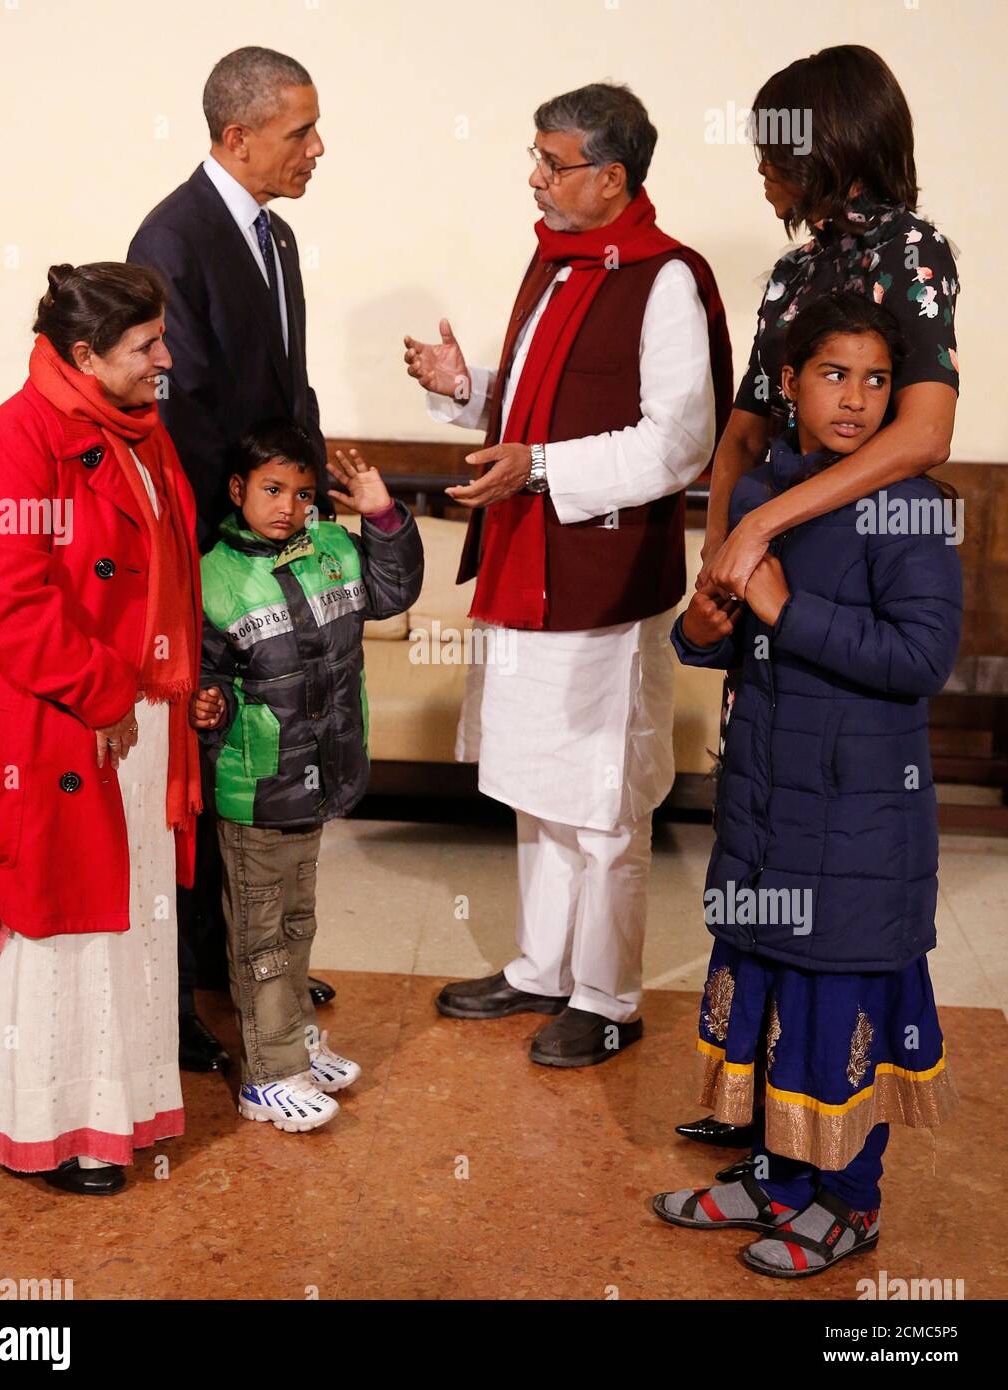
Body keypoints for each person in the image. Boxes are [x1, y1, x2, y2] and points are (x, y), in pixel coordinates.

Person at [404, 83, 730, 1066]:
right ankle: (542, 967)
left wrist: (540, 468)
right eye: (537, 157)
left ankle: (608, 994)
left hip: (601, 574)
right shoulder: (558, 262)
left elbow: (680, 443)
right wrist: (472, 392)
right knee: (538, 786)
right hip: (529, 556)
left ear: (612, 177)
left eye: (553, 162)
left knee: (601, 801)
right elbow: (546, 404)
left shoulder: (666, 278)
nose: (535, 176)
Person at [678, 42, 961, 1155]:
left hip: (845, 552)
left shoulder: (912, 252)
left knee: (839, 887)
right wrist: (720, 573)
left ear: (823, 146)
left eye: (772, 153)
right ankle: (760, 1119)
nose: (760, 175)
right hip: (775, 591)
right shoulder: (792, 274)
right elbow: (746, 430)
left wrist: (764, 528)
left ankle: (832, 1168)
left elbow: (925, 432)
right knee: (760, 872)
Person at [653, 293, 961, 1277]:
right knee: (767, 993)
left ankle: (851, 1202)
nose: (856, 400)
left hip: (861, 820)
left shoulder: (911, 504)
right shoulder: (759, 498)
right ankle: (776, 1181)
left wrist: (781, 608)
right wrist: (702, 632)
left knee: (836, 1009)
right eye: (834, 374)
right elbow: (730, 638)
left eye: (878, 380)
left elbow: (920, 657)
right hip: (766, 803)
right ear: (787, 384)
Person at [0, 263, 201, 1196]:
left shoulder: (139, 430)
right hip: (57, 726)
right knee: (63, 931)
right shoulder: (14, 443)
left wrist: (163, 685)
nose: (165, 359)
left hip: (134, 717)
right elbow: (10, 605)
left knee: (128, 925)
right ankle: (51, 1126)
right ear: (84, 356)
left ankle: (117, 1110)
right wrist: (107, 691)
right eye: (145, 347)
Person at [128, 46, 335, 1067]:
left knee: (257, 752)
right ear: (235, 134)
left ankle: (245, 956)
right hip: (216, 549)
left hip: (270, 532)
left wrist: (314, 508)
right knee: (208, 761)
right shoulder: (174, 236)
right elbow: (190, 421)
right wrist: (248, 539)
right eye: (299, 130)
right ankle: (197, 979)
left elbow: (284, 393)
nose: (316, 147)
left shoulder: (275, 234)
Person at [190, 423, 423, 1131]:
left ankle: (296, 1040)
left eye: (302, 492)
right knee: (261, 939)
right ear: (237, 491)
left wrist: (382, 516)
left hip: (315, 781)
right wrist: (209, 706)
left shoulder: (332, 552)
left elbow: (392, 592)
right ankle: (270, 1074)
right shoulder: (212, 577)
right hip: (255, 790)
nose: (288, 506)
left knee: (296, 923)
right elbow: (198, 676)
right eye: (271, 489)